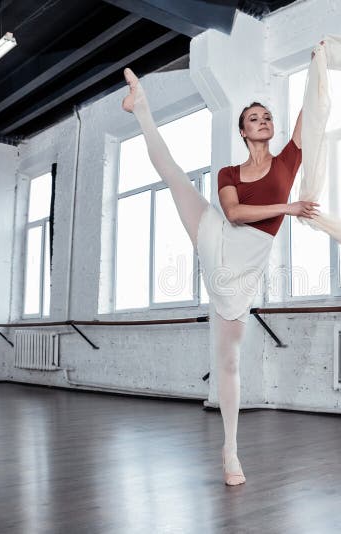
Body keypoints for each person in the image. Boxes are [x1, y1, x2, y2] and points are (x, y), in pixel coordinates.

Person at [121, 66, 318, 486]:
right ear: (243, 132)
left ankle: (229, 449)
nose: (262, 121)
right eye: (254, 119)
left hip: (242, 270)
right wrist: (289, 208)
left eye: (267, 117)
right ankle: (140, 107)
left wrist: (319, 65)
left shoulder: (288, 160)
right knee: (174, 175)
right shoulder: (229, 173)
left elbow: (310, 113)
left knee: (228, 360)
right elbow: (232, 213)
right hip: (218, 236)